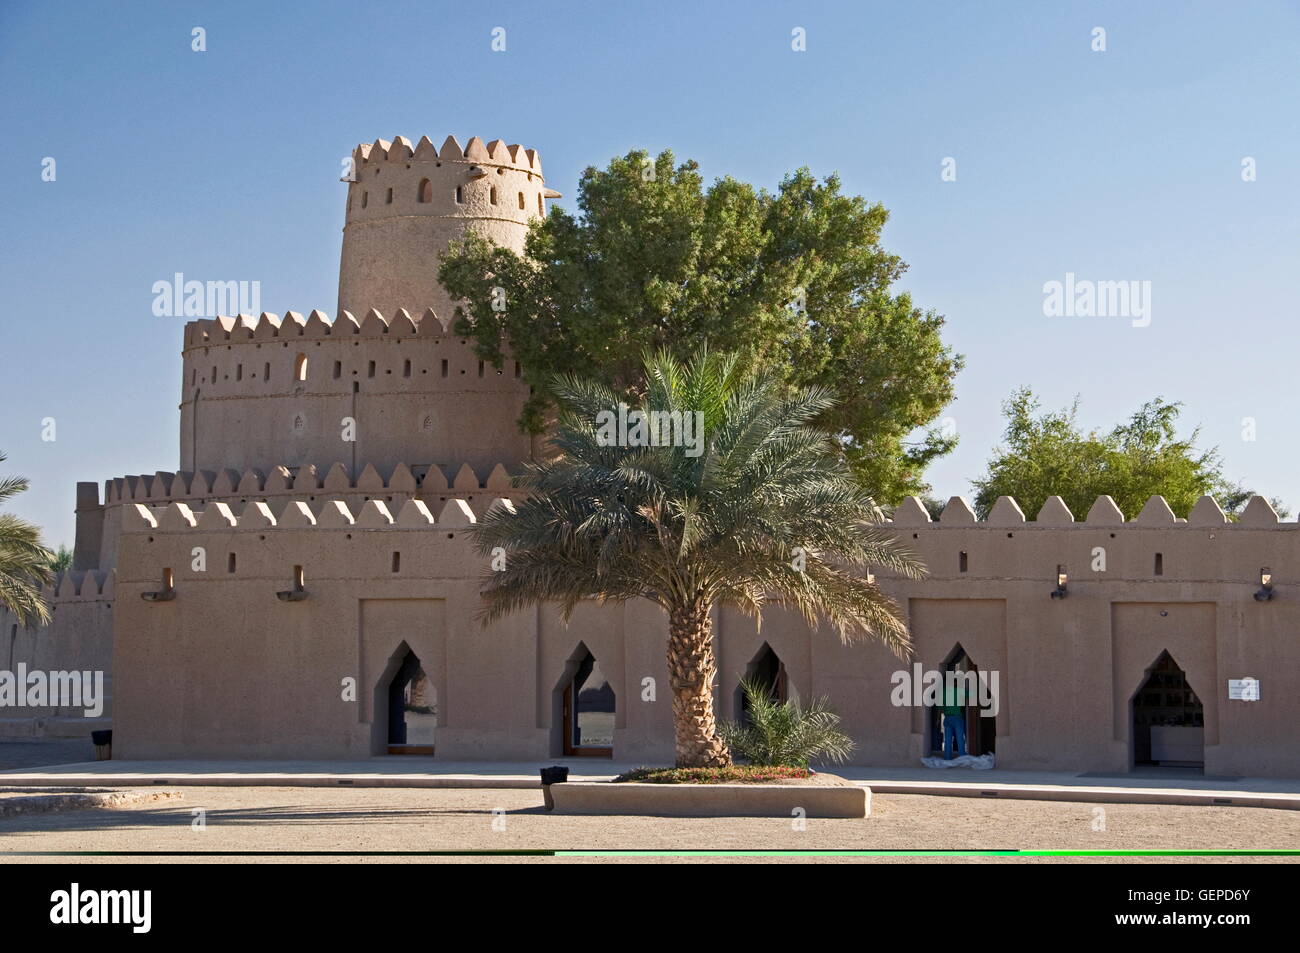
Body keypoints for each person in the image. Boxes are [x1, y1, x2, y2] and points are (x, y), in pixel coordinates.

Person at [941, 677, 967, 760]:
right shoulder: (959, 691)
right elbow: (972, 694)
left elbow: (940, 706)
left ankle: (947, 758)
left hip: (947, 718)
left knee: (948, 740)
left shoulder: (944, 692)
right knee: (960, 738)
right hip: (957, 718)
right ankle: (962, 758)